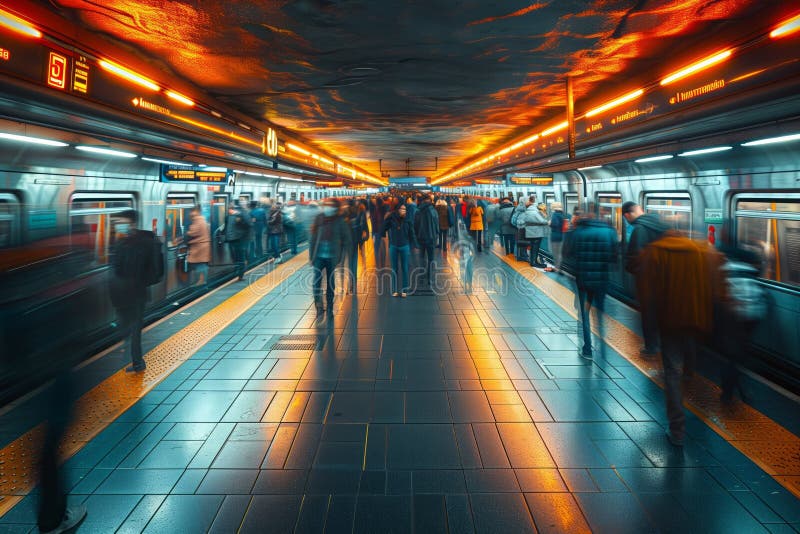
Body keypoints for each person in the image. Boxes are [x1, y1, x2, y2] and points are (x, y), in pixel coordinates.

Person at [639, 231, 726, 446]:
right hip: (698, 318)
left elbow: (646, 295)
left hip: (670, 321)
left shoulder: (655, 252)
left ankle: (677, 430)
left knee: (671, 372)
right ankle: (692, 380)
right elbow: (718, 286)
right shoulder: (702, 251)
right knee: (691, 354)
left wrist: (649, 336)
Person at [563, 205, 617, 359]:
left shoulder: (577, 231)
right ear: (599, 214)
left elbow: (568, 254)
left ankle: (587, 348)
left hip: (583, 280)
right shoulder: (609, 231)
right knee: (599, 313)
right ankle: (603, 347)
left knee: (584, 314)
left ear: (586, 215)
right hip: (602, 280)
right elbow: (614, 257)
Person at [109, 209, 156, 373]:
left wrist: (139, 282)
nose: (118, 225)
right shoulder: (121, 243)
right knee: (126, 329)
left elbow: (153, 270)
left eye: (121, 222)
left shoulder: (144, 243)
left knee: (134, 330)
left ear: (132, 223)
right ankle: (131, 358)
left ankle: (137, 363)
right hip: (122, 294)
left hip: (136, 293)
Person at [622, 201, 667, 356]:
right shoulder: (662, 225)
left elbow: (635, 258)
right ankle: (665, 345)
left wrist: (632, 268)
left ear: (628, 214)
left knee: (649, 314)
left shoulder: (639, 230)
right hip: (666, 278)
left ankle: (652, 347)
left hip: (648, 281)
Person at [309, 198, 350, 315]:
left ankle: (330, 305)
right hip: (318, 256)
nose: (328, 207)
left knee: (331, 282)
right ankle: (318, 304)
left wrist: (341, 258)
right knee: (316, 281)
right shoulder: (319, 218)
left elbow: (346, 239)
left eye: (331, 205)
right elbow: (313, 239)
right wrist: (311, 257)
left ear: (336, 207)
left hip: (332, 257)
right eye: (326, 205)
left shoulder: (340, 221)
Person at [382, 203, 417, 297]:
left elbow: (412, 232)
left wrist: (415, 244)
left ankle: (404, 290)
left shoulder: (408, 220)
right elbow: (384, 226)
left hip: (404, 246)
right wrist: (382, 232)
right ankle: (394, 290)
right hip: (393, 246)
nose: (403, 211)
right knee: (394, 269)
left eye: (405, 209)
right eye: (402, 209)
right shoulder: (392, 218)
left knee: (405, 268)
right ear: (397, 210)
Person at [414, 194, 440, 286]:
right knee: (431, 259)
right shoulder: (433, 211)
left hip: (421, 238)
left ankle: (421, 277)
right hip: (431, 238)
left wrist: (416, 236)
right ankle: (429, 279)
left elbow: (415, 225)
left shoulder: (418, 211)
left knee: (421, 258)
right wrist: (437, 236)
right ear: (429, 200)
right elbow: (437, 225)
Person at [225, 203, 252, 280]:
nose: (228, 211)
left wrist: (242, 235)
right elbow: (227, 227)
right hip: (231, 240)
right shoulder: (227, 217)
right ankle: (237, 272)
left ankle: (241, 275)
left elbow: (248, 225)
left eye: (229, 209)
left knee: (240, 257)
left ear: (232, 209)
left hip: (239, 240)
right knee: (234, 257)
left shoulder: (240, 216)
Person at [346, 199, 367, 294]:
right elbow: (364, 225)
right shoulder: (361, 211)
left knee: (351, 262)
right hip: (359, 239)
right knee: (355, 260)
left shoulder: (346, 214)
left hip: (350, 241)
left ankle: (352, 283)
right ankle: (353, 283)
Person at [186, 206, 211, 287]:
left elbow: (192, 233)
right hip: (201, 246)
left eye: (192, 211)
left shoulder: (198, 220)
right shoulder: (201, 220)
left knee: (200, 265)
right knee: (201, 264)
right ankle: (202, 281)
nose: (191, 213)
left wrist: (186, 234)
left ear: (197, 211)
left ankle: (201, 281)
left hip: (200, 247)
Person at [523, 202, 549, 268]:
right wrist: (548, 222)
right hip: (536, 232)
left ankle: (532, 261)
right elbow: (542, 221)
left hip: (530, 232)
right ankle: (534, 262)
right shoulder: (535, 212)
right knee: (535, 248)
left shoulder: (527, 211)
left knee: (532, 247)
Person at [548, 201, 568, 273]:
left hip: (555, 236)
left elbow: (555, 224)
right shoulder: (561, 214)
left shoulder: (555, 214)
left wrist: (550, 223)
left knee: (556, 253)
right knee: (559, 253)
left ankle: (557, 267)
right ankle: (559, 267)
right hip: (561, 235)